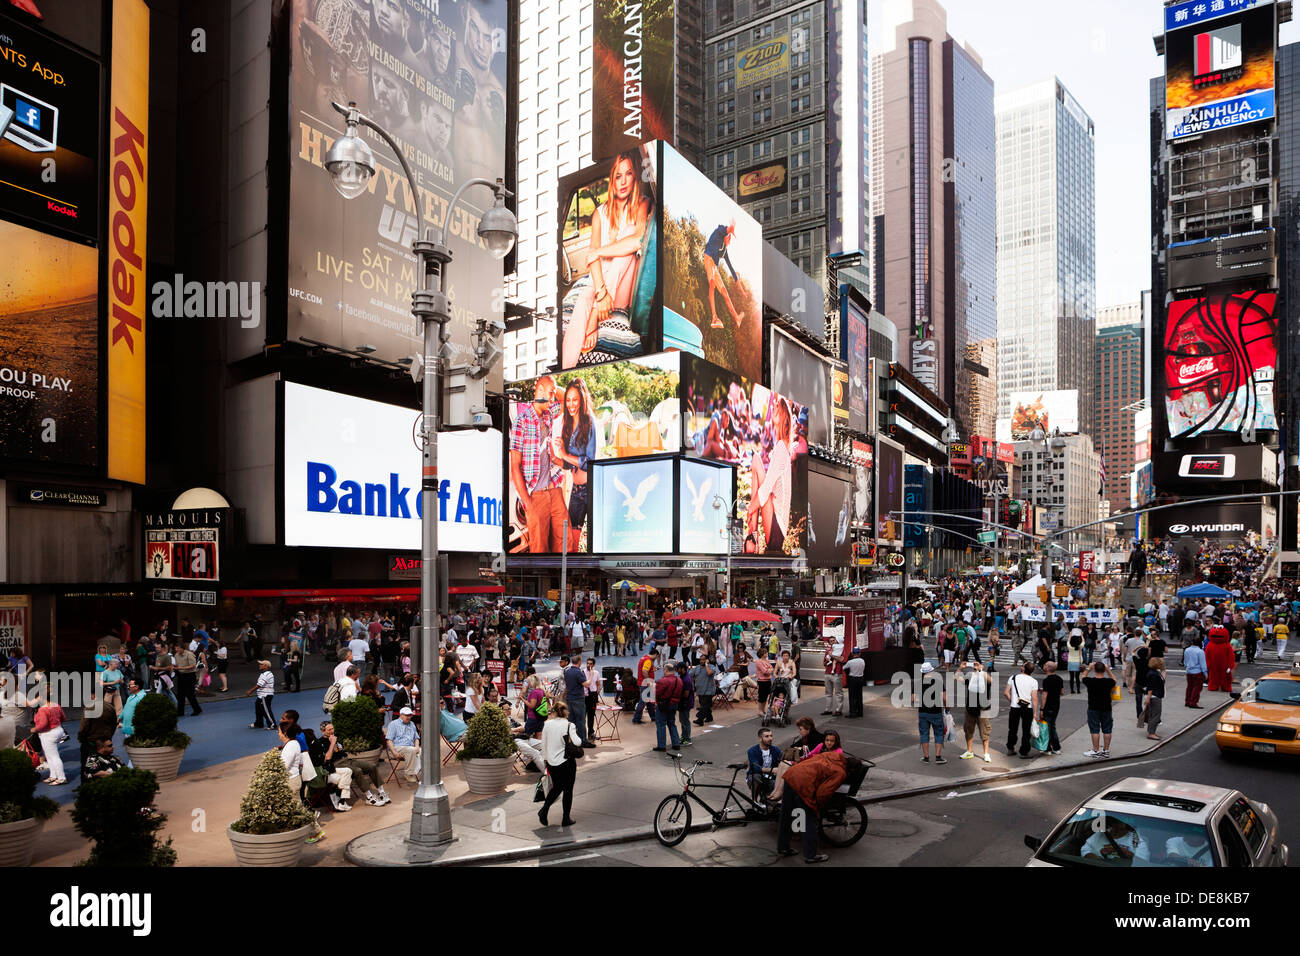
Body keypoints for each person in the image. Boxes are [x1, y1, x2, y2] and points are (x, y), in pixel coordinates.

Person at [560, 150, 654, 367]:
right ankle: (566, 367)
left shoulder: (642, 203)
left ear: (635, 177)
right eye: (618, 176)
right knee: (584, 296)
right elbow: (592, 259)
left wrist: (601, 251)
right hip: (603, 286)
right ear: (612, 179)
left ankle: (594, 315)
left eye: (628, 174)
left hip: (624, 288)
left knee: (625, 255)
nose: (623, 182)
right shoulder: (599, 213)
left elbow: (637, 241)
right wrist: (600, 293)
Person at [510, 375, 569, 554]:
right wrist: (527, 504)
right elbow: (515, 466)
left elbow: (566, 399)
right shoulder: (522, 420)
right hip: (536, 495)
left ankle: (562, 580)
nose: (552, 399)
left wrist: (553, 387)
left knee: (567, 543)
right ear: (540, 391)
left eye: (552, 395)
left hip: (554, 488)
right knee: (540, 549)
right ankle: (544, 582)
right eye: (550, 394)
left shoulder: (547, 415)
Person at [775, 750, 845, 865]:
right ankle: (810, 855)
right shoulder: (841, 772)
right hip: (803, 783)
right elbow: (823, 792)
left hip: (791, 775)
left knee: (787, 814)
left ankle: (783, 847)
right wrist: (817, 806)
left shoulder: (829, 755)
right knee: (809, 819)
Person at [745, 398, 794, 555]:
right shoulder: (782, 446)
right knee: (757, 463)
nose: (772, 407)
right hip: (778, 529)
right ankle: (752, 536)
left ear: (783, 415)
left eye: (776, 406)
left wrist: (750, 508)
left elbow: (765, 489)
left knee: (756, 462)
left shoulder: (781, 448)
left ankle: (752, 535)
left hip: (777, 531)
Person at [537, 700, 582, 828]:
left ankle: (544, 809)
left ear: (554, 712)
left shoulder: (547, 724)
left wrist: (545, 760)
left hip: (551, 761)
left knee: (557, 787)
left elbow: (543, 744)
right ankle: (565, 818)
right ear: (565, 711)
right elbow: (578, 742)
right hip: (566, 761)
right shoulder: (569, 725)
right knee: (568, 790)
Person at [701, 219, 744, 331]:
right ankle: (714, 317)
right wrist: (731, 228)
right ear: (725, 236)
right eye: (728, 237)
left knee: (725, 292)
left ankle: (737, 317)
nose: (729, 240)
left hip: (714, 266)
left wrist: (741, 289)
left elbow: (732, 269)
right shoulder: (719, 232)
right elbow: (726, 229)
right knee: (711, 284)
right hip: (708, 258)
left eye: (730, 239)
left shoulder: (725, 251)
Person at [1082, 660, 1118, 758]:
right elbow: (1115, 679)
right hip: (1106, 708)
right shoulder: (1109, 682)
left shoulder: (1090, 681)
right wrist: (1108, 670)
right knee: (1107, 729)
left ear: (1095, 670)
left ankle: (1096, 750)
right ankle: (1106, 750)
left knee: (1095, 729)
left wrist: (1089, 668)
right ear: (1104, 670)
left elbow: (1083, 676)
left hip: (1093, 707)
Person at [959, 661, 994, 763]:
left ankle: (986, 753)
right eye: (974, 669)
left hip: (983, 710)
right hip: (970, 709)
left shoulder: (985, 677)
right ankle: (969, 751)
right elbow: (957, 678)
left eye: (977, 668)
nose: (975, 670)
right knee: (968, 731)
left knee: (985, 732)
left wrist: (981, 670)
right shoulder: (970, 678)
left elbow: (991, 680)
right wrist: (961, 668)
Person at [913, 661, 947, 764]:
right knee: (938, 733)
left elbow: (913, 699)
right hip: (936, 712)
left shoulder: (918, 683)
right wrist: (947, 708)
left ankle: (926, 757)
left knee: (924, 734)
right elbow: (944, 698)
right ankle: (938, 757)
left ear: (922, 672)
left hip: (923, 712)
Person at [1004, 661, 1039, 759]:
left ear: (1024, 669)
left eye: (1022, 665)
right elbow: (1035, 698)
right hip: (1027, 708)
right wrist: (1035, 713)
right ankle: (1024, 751)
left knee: (1012, 729)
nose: (1021, 666)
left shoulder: (1013, 677)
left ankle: (1010, 748)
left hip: (1015, 707)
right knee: (1026, 730)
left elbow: (1006, 692)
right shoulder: (1033, 681)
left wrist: (1013, 701)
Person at [1081, 816, 1149, 864]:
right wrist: (1098, 861)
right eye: (1113, 822)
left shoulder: (1138, 840)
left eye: (1119, 822)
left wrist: (1128, 854)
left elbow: (1143, 863)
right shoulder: (1099, 835)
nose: (1116, 826)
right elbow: (1085, 851)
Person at [560, 656, 594, 747]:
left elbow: (567, 686)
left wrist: (564, 696)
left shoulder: (567, 672)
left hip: (569, 698)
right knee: (580, 721)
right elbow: (586, 685)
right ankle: (583, 741)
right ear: (579, 662)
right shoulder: (578, 672)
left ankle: (572, 741)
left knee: (571, 720)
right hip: (578, 699)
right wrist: (591, 675)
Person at [33, 694, 67, 786]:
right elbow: (63, 718)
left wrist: (34, 729)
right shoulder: (56, 705)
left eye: (37, 698)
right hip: (58, 731)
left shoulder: (42, 709)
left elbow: (43, 724)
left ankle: (61, 778)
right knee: (49, 756)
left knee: (54, 756)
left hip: (48, 734)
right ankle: (53, 775)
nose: (36, 700)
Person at [652, 663, 684, 752]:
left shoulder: (662, 681)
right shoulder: (679, 680)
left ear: (665, 670)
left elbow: (657, 693)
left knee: (661, 725)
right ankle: (676, 743)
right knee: (672, 724)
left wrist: (656, 702)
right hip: (674, 704)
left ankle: (662, 746)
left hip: (663, 705)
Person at [385, 706, 422, 784]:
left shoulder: (412, 724)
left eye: (410, 715)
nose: (409, 717)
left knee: (422, 751)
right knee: (411, 750)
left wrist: (417, 746)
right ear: (401, 715)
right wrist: (394, 752)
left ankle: (420, 771)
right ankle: (409, 773)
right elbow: (389, 740)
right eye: (406, 715)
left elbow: (416, 738)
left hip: (410, 748)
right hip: (397, 748)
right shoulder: (393, 724)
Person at [746, 727, 782, 800]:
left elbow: (782, 761)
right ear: (760, 739)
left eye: (771, 736)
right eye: (767, 736)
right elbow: (756, 768)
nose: (770, 738)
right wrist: (772, 770)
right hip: (755, 776)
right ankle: (754, 801)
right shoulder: (752, 751)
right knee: (756, 778)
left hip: (771, 777)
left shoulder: (775, 750)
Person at [1038, 661, 1064, 755]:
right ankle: (1056, 747)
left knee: (1046, 728)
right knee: (1052, 726)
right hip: (1056, 705)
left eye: (1045, 665)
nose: (1043, 666)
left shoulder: (1047, 680)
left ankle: (1047, 748)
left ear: (1048, 668)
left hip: (1048, 706)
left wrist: (1041, 709)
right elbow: (1062, 692)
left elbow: (1045, 696)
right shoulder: (1059, 679)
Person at [172, 642, 202, 717]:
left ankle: (197, 709)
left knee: (190, 694)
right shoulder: (176, 655)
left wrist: (180, 668)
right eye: (175, 648)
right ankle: (180, 712)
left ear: (182, 648)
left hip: (189, 676)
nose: (176, 649)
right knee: (180, 695)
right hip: (181, 675)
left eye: (178, 648)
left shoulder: (189, 654)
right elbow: (177, 665)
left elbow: (193, 666)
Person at [245, 660, 276, 730]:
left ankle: (272, 725)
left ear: (266, 666)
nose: (259, 665)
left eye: (261, 664)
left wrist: (250, 691)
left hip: (265, 696)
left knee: (266, 710)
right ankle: (259, 723)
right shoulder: (265, 674)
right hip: (261, 695)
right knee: (258, 709)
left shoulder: (266, 674)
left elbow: (259, 685)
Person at [1143, 657, 1167, 740]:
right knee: (1156, 715)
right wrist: (1148, 698)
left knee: (1153, 714)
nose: (1162, 664)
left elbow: (1162, 680)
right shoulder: (1153, 674)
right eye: (1160, 663)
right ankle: (1151, 733)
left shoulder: (1155, 672)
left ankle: (1151, 731)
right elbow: (1150, 687)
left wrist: (1163, 669)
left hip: (1155, 695)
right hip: (1154, 696)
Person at [821, 634, 845, 717]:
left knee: (838, 692)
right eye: (830, 641)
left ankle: (839, 709)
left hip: (837, 673)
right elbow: (824, 663)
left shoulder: (841, 649)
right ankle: (828, 709)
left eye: (833, 640)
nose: (832, 642)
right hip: (827, 672)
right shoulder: (828, 651)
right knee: (828, 692)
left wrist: (832, 656)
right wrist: (827, 661)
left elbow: (842, 659)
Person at [632, 647, 658, 724]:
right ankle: (636, 719)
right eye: (657, 657)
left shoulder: (643, 658)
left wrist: (653, 670)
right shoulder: (648, 660)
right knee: (642, 702)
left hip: (642, 682)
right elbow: (644, 671)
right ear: (655, 654)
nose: (656, 658)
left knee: (650, 701)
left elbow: (644, 669)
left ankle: (653, 717)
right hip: (646, 684)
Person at [690, 655, 717, 724]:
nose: (701, 661)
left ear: (707, 660)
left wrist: (706, 664)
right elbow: (690, 674)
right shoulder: (697, 667)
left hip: (709, 690)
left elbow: (709, 673)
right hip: (700, 690)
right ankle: (709, 717)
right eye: (700, 660)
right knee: (704, 704)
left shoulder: (711, 667)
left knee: (705, 705)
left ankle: (700, 719)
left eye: (703, 660)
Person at [844, 649, 866, 717]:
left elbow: (844, 668)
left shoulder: (850, 662)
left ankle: (853, 712)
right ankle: (860, 712)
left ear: (852, 653)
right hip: (860, 678)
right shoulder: (862, 661)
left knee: (852, 696)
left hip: (852, 679)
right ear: (859, 653)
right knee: (859, 696)